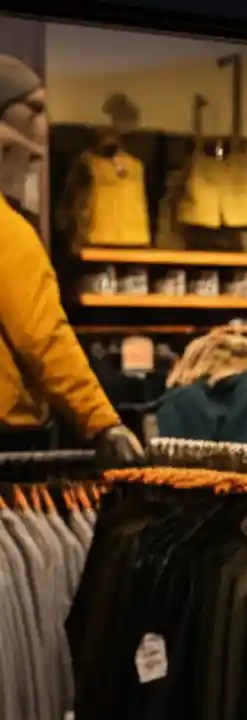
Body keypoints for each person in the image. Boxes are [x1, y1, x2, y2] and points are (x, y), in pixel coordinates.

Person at [0, 54, 143, 464]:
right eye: (37, 109)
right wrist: (101, 421)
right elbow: (43, 334)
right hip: (10, 440)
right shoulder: (7, 231)